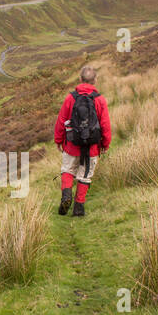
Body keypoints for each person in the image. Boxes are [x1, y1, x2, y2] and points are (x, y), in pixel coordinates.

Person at [53, 65, 111, 217]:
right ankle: (79, 208)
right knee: (85, 175)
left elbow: (61, 120)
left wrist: (58, 140)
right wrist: (105, 144)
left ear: (80, 79)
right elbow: (105, 125)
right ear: (95, 81)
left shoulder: (70, 98)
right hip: (91, 146)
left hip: (72, 144)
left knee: (67, 170)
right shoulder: (100, 100)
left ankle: (66, 196)